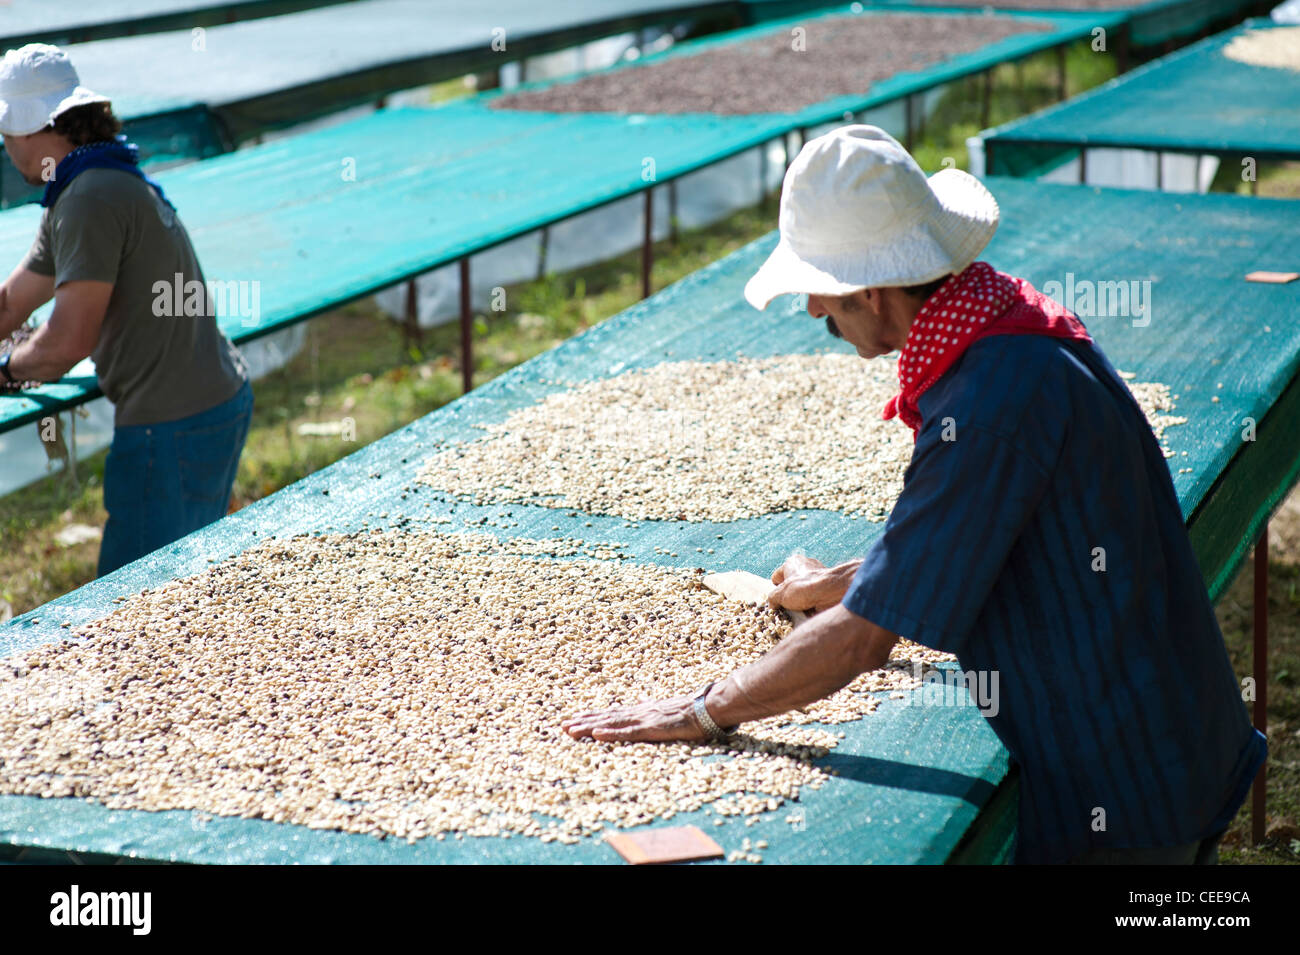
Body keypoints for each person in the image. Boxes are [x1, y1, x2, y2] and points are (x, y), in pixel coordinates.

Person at [563, 125, 1267, 865]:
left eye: (820, 288)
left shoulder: (988, 404)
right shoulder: (1003, 323)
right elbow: (973, 526)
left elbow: (866, 639)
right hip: (1169, 737)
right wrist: (839, 581)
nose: (811, 311)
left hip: (1128, 784)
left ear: (870, 290)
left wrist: (704, 708)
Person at [0, 44, 251, 577]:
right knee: (187, 589)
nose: (4, 146)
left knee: (135, 612)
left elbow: (65, 346)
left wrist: (7, 368)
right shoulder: (92, 180)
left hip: (174, 425)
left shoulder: (89, 197)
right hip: (209, 400)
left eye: (7, 132)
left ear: (30, 128)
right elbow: (13, 301)